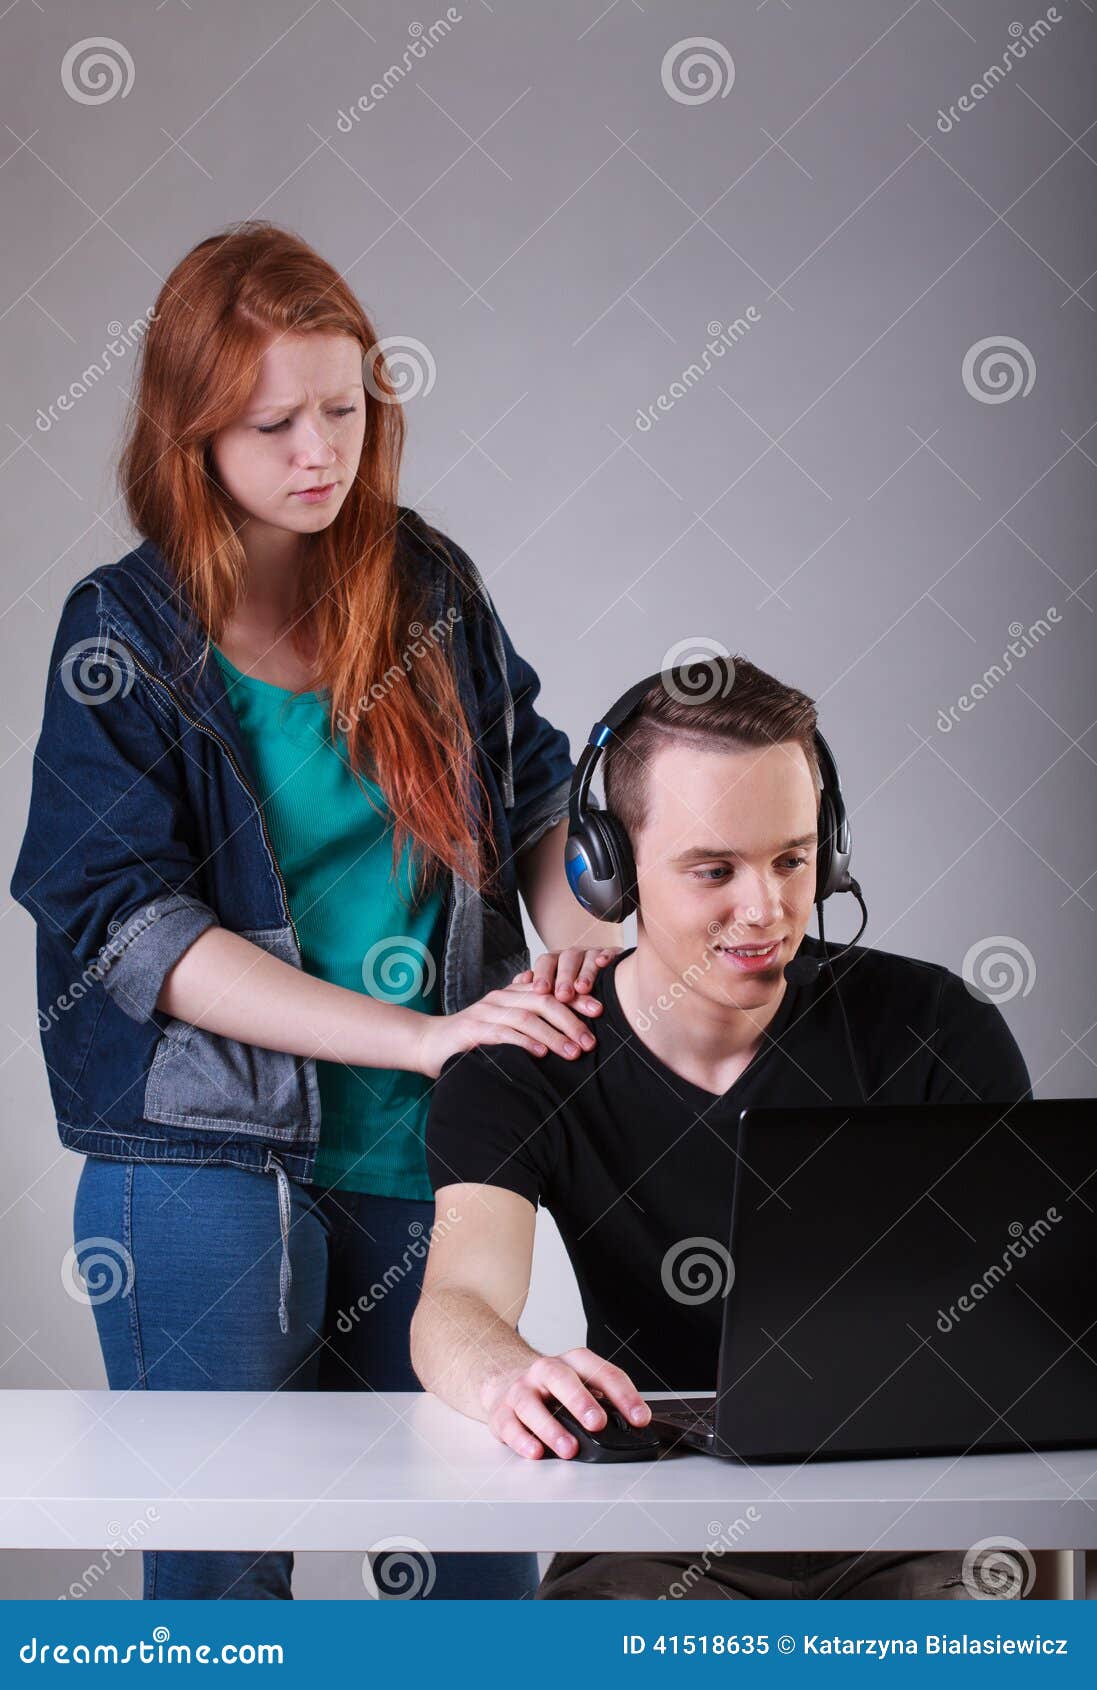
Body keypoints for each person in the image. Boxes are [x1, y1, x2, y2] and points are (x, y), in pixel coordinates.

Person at [9, 221, 624, 1601]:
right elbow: (124, 929)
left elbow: (532, 795)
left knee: (472, 1573)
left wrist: (587, 928)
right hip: (201, 1166)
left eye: (342, 407)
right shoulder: (120, 636)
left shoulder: (427, 586)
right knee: (225, 1577)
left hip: (425, 1147)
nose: (318, 451)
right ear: (193, 437)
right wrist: (419, 1038)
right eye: (273, 421)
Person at [410, 656, 1034, 1601]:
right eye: (713, 870)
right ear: (603, 871)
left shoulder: (935, 1030)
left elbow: (1038, 1305)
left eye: (791, 859)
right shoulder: (520, 1064)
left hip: (918, 1520)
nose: (766, 909)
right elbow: (456, 1301)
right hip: (659, 1532)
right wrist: (506, 1376)